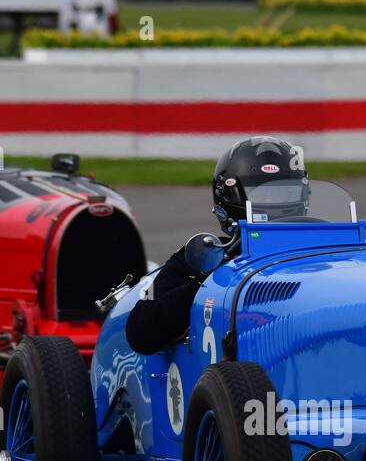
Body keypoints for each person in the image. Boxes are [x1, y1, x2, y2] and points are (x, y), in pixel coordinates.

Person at [125, 135, 310, 355]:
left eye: (285, 193)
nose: (274, 205)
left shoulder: (325, 257)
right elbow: (141, 332)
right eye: (261, 194)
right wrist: (210, 283)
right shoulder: (202, 258)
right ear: (230, 195)